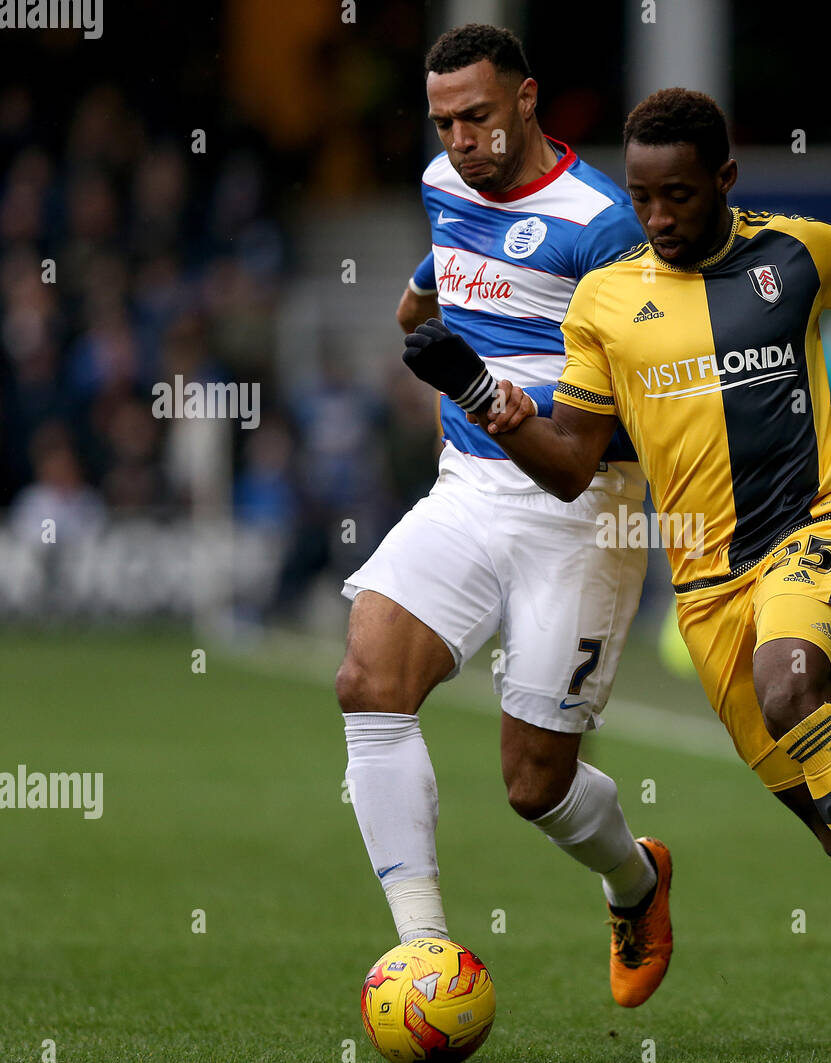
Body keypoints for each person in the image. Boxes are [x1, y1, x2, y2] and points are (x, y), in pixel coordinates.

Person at [403, 88, 831, 1048]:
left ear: (725, 182)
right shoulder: (607, 302)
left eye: (680, 198)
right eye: (643, 198)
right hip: (706, 587)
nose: (658, 220)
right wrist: (482, 392)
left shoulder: (798, 251)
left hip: (814, 530)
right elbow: (574, 466)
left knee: (793, 691)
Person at [336, 25, 672, 1010]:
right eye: (443, 123)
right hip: (468, 488)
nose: (461, 141)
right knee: (367, 681)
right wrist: (417, 303)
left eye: (477, 117)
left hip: (581, 514)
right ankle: (424, 956)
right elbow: (439, 273)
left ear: (526, 101)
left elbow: (585, 454)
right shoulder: (447, 183)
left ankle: (636, 884)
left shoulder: (604, 226)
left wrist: (482, 384)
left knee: (534, 787)